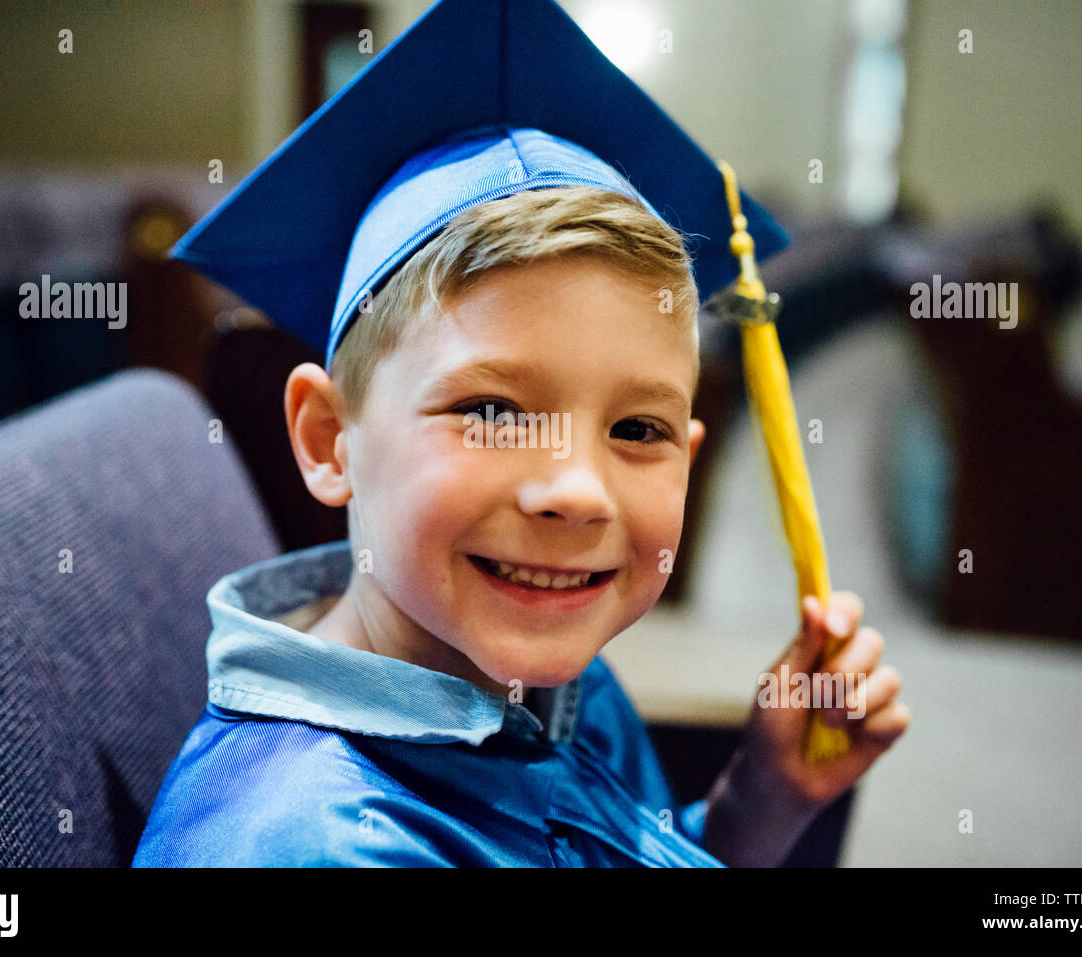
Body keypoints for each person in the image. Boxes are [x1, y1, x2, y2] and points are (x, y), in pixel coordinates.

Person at [133, 0, 908, 867]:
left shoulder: (554, 684)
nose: (575, 489)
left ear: (688, 459)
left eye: (637, 426)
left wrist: (754, 801)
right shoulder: (317, 845)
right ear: (329, 439)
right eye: (494, 413)